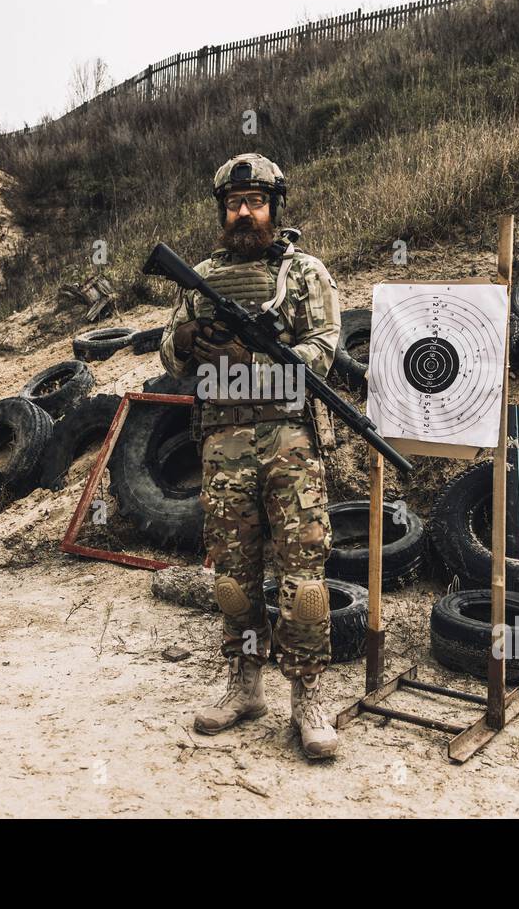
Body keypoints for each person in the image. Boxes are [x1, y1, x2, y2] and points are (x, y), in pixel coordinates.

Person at [159, 152, 343, 759]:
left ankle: (309, 698)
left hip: (289, 439)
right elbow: (169, 352)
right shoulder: (199, 279)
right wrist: (183, 343)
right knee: (234, 581)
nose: (245, 213)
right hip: (223, 443)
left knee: (304, 580)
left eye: (255, 202)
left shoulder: (306, 274)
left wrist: (255, 364)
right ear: (224, 210)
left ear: (273, 207)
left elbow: (322, 351)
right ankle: (245, 686)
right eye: (235, 204)